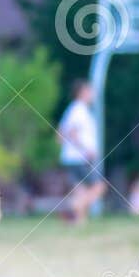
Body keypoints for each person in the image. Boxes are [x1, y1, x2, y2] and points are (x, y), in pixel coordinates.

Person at [57, 79, 104, 222]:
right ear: (82, 92)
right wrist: (86, 149)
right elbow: (71, 132)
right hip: (79, 157)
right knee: (99, 187)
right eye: (89, 90)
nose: (92, 94)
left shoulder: (73, 109)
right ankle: (73, 208)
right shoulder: (79, 109)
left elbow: (59, 132)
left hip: (71, 157)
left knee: (80, 190)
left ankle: (77, 222)